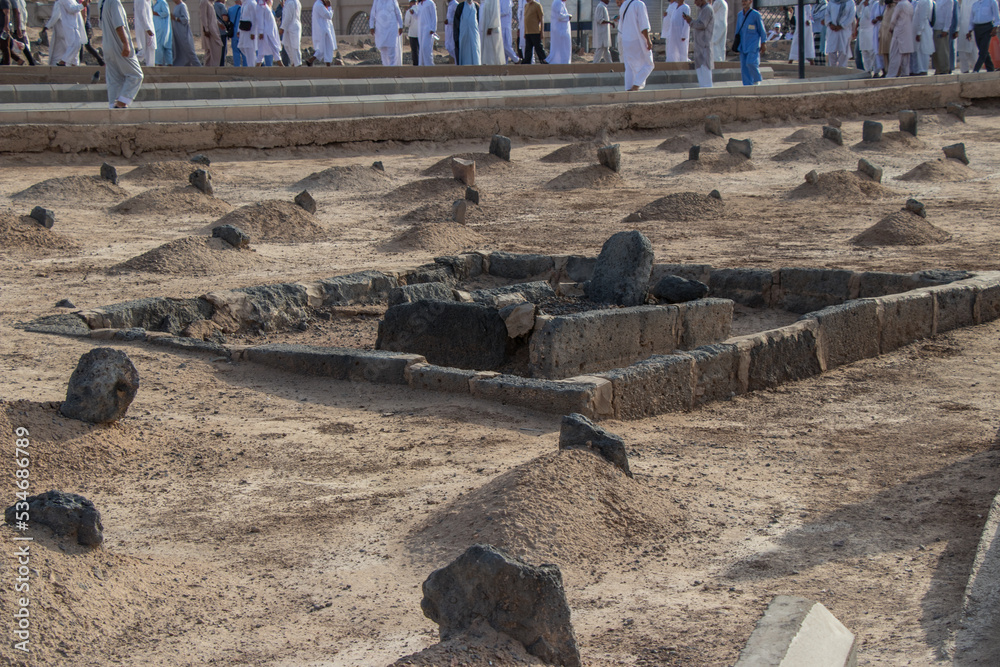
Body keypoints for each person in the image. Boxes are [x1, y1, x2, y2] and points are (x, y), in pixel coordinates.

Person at [100, 0, 144, 106]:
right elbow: (118, 25)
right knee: (136, 75)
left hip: (107, 44)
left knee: (114, 78)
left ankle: (113, 106)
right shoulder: (114, 2)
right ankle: (121, 103)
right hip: (118, 45)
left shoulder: (102, 2)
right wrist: (125, 43)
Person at [619, 0, 653, 89]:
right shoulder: (639, 4)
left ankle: (628, 89)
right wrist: (648, 40)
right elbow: (644, 26)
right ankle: (636, 85)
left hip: (626, 40)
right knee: (649, 64)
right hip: (637, 40)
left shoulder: (624, 5)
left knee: (629, 67)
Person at [47, 0, 87, 65]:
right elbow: (71, 9)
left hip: (74, 26)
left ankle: (74, 64)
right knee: (74, 45)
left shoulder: (72, 0)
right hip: (69, 27)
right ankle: (63, 61)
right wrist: (82, 5)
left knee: (77, 45)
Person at [735, 0, 765, 84]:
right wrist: (736, 45)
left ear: (750, 1)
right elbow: (737, 30)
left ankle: (757, 79)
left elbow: (762, 30)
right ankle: (747, 85)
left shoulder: (756, 15)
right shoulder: (740, 15)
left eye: (745, 0)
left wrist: (763, 42)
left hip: (753, 44)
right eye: (742, 1)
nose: (743, 2)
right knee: (744, 67)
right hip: (742, 45)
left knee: (751, 63)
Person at [686, 0, 714, 85]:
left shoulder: (707, 9)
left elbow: (702, 24)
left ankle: (708, 93)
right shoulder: (701, 10)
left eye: (696, 0)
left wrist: (690, 21)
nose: (695, 3)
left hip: (704, 45)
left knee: (705, 70)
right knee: (700, 70)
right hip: (699, 45)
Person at [965, 0, 999, 71]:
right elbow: (972, 19)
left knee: (983, 51)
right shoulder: (975, 4)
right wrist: (969, 30)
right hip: (977, 28)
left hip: (987, 28)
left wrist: (995, 28)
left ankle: (976, 70)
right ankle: (990, 69)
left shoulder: (992, 2)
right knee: (982, 50)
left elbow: (997, 17)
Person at [370, 0, 403, 64]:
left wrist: (401, 26)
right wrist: (371, 26)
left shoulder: (393, 1)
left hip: (391, 29)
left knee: (392, 51)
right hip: (380, 30)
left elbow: (398, 13)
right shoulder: (376, 1)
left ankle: (392, 70)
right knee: (383, 52)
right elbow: (372, 15)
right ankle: (386, 69)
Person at [825, 0, 856, 67]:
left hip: (844, 30)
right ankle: (833, 69)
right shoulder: (831, 2)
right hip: (832, 30)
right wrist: (830, 24)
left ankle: (842, 69)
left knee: (843, 51)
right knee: (831, 51)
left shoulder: (850, 2)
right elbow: (827, 14)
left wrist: (841, 26)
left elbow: (851, 16)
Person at [887, 0, 914, 75]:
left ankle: (891, 75)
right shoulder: (909, 4)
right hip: (907, 33)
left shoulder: (900, 5)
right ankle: (905, 75)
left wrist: (891, 28)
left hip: (899, 33)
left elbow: (893, 19)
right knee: (905, 58)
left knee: (894, 56)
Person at [171, 0, 202, 64]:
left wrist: (175, 18)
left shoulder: (182, 6)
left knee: (188, 50)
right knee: (180, 51)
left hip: (183, 33)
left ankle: (197, 65)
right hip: (177, 33)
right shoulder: (176, 7)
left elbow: (186, 19)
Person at [307, 0, 337, 64]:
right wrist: (329, 7)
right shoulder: (319, 5)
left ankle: (311, 60)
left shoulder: (320, 5)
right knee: (326, 49)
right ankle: (311, 60)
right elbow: (328, 16)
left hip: (324, 30)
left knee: (325, 49)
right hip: (324, 31)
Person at [931, 0, 954, 72]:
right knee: (935, 52)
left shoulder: (948, 1)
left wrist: (946, 29)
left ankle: (944, 69)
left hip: (941, 29)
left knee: (942, 51)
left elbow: (948, 15)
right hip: (934, 27)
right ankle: (938, 69)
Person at [910, 0, 932, 73]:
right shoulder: (918, 1)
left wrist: (919, 32)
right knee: (918, 51)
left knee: (923, 51)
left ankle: (923, 70)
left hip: (923, 30)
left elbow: (923, 17)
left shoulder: (925, 1)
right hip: (917, 30)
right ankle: (917, 70)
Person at [134, 0, 156, 66]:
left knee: (149, 49)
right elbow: (142, 15)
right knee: (144, 51)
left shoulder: (147, 2)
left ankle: (150, 66)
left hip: (147, 28)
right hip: (145, 29)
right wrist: (147, 29)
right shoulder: (141, 1)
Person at [200, 0, 222, 66]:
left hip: (214, 29)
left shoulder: (210, 3)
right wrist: (206, 29)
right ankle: (210, 68)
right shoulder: (204, 2)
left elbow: (212, 17)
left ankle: (212, 67)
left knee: (215, 49)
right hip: (209, 30)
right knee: (211, 49)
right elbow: (203, 16)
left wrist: (219, 24)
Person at [957, 0, 977, 69]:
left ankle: (975, 68)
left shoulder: (976, 1)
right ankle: (964, 69)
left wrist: (971, 29)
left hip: (972, 29)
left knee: (973, 50)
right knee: (962, 50)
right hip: (962, 28)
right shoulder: (964, 1)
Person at [858, 0, 877, 71]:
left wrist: (867, 6)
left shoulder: (874, 2)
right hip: (862, 31)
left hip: (870, 30)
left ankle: (875, 70)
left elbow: (870, 16)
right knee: (864, 52)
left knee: (871, 52)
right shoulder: (863, 2)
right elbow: (858, 13)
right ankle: (867, 70)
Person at [281, 0, 302, 65]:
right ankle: (293, 62)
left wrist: (282, 27)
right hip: (289, 27)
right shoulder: (289, 2)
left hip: (292, 26)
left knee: (295, 47)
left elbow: (288, 16)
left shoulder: (291, 2)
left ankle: (297, 64)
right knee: (286, 45)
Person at [418, 0, 437, 65]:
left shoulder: (430, 3)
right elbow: (418, 17)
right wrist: (413, 14)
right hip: (421, 29)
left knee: (426, 47)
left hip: (428, 29)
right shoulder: (420, 4)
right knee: (421, 49)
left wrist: (433, 29)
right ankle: (422, 65)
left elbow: (434, 16)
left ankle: (429, 66)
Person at [228, 0, 245, 65]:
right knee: (244, 53)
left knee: (235, 52)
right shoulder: (243, 9)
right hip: (242, 32)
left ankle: (237, 66)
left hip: (234, 34)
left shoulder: (230, 9)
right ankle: (246, 68)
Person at [404, 0, 420, 64]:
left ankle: (416, 65)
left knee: (414, 51)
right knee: (421, 50)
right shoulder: (421, 9)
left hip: (412, 33)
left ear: (410, 2)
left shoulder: (409, 11)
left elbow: (406, 24)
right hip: (421, 33)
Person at [215, 0, 230, 64]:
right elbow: (224, 18)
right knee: (223, 51)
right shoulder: (221, 6)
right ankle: (221, 65)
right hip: (222, 31)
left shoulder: (211, 5)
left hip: (214, 31)